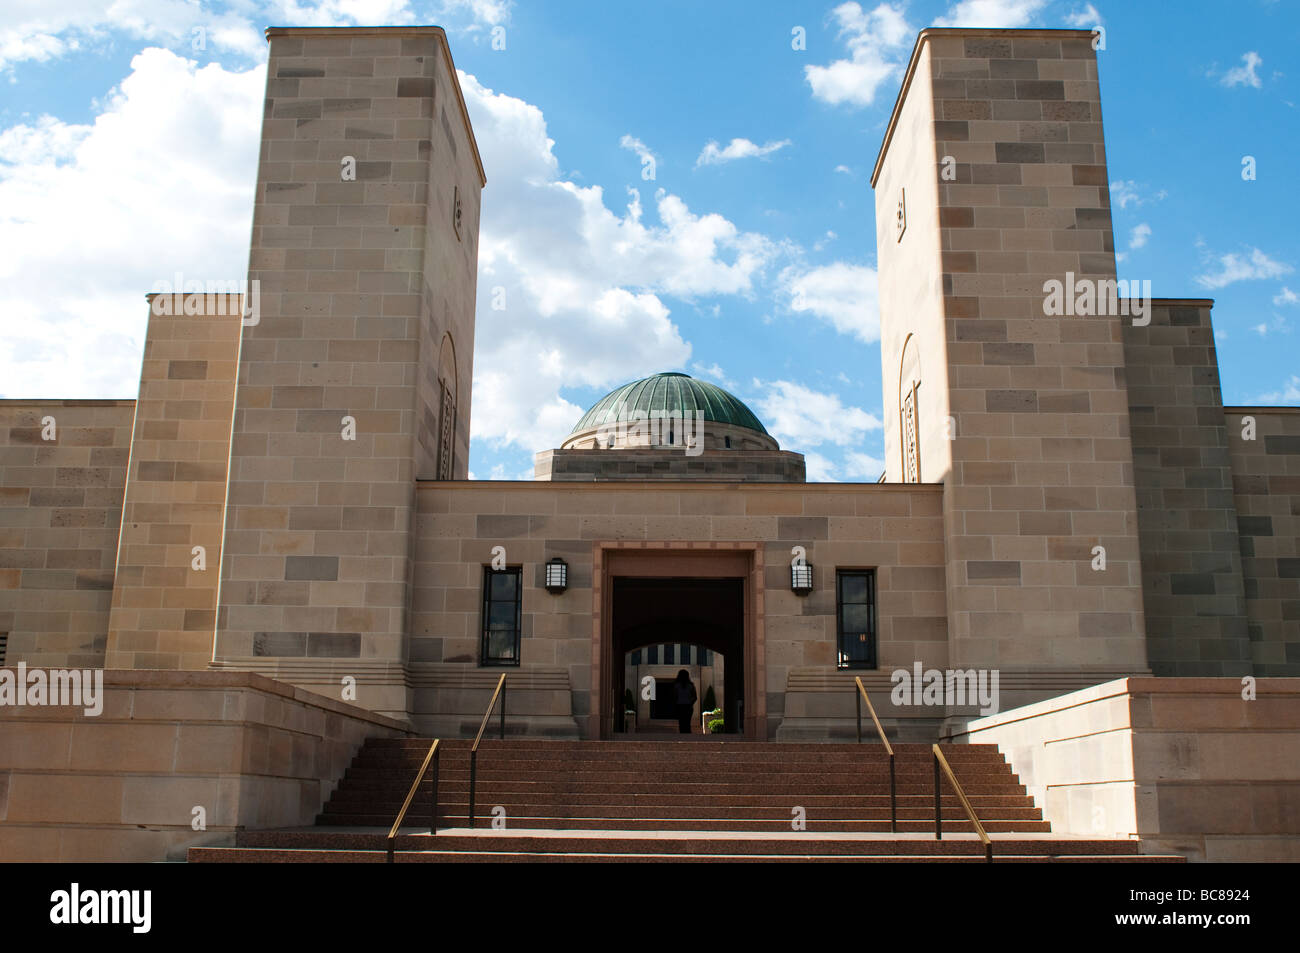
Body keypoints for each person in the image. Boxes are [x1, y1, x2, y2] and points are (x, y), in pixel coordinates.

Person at [673, 669, 697, 735]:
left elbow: (675, 697)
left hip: (680, 706)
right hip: (687, 706)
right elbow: (695, 697)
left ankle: (683, 738)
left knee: (682, 724)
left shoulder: (676, 686)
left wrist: (676, 704)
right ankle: (687, 738)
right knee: (687, 723)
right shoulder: (691, 686)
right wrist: (690, 703)